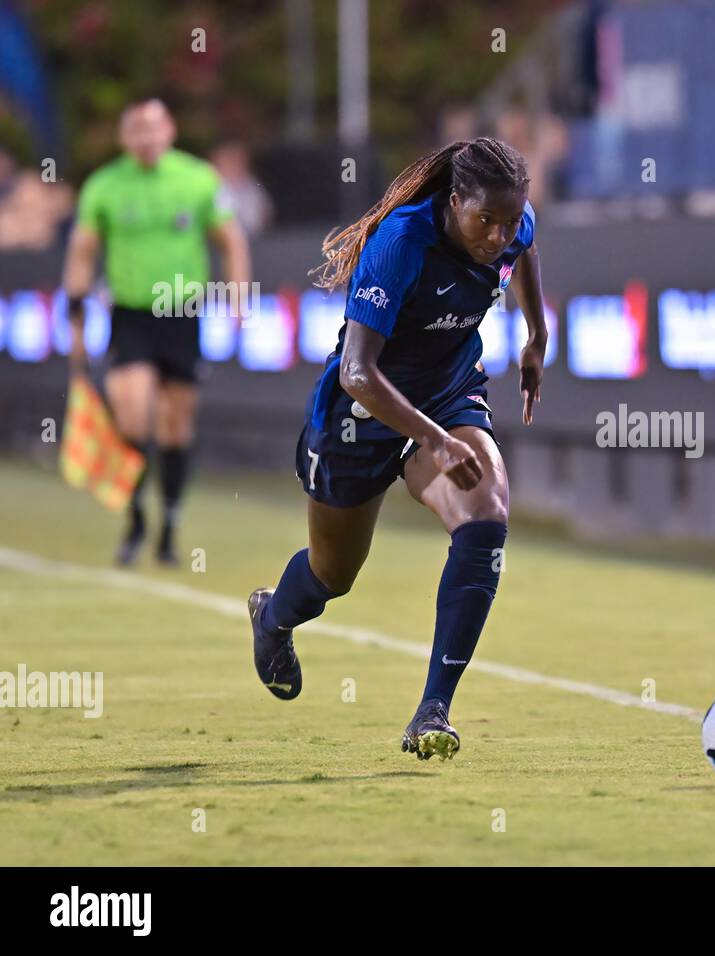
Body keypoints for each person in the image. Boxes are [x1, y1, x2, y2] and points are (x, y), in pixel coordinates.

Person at [248, 137, 547, 762]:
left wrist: (538, 335)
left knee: (486, 509)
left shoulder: (512, 223)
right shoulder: (401, 244)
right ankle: (273, 618)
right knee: (334, 576)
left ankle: (433, 708)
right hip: (361, 414)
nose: (497, 236)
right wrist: (434, 441)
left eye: (508, 221)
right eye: (483, 221)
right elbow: (357, 372)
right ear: (454, 200)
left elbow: (523, 252)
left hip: (447, 393)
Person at [61, 98, 251, 565]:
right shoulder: (104, 186)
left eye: (154, 128)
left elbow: (230, 240)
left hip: (180, 313)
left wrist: (239, 296)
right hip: (130, 313)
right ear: (125, 137)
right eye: (136, 130)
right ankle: (135, 517)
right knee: (132, 413)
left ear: (169, 130)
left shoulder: (198, 179)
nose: (146, 138)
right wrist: (77, 318)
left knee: (175, 424)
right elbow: (82, 254)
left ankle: (168, 525)